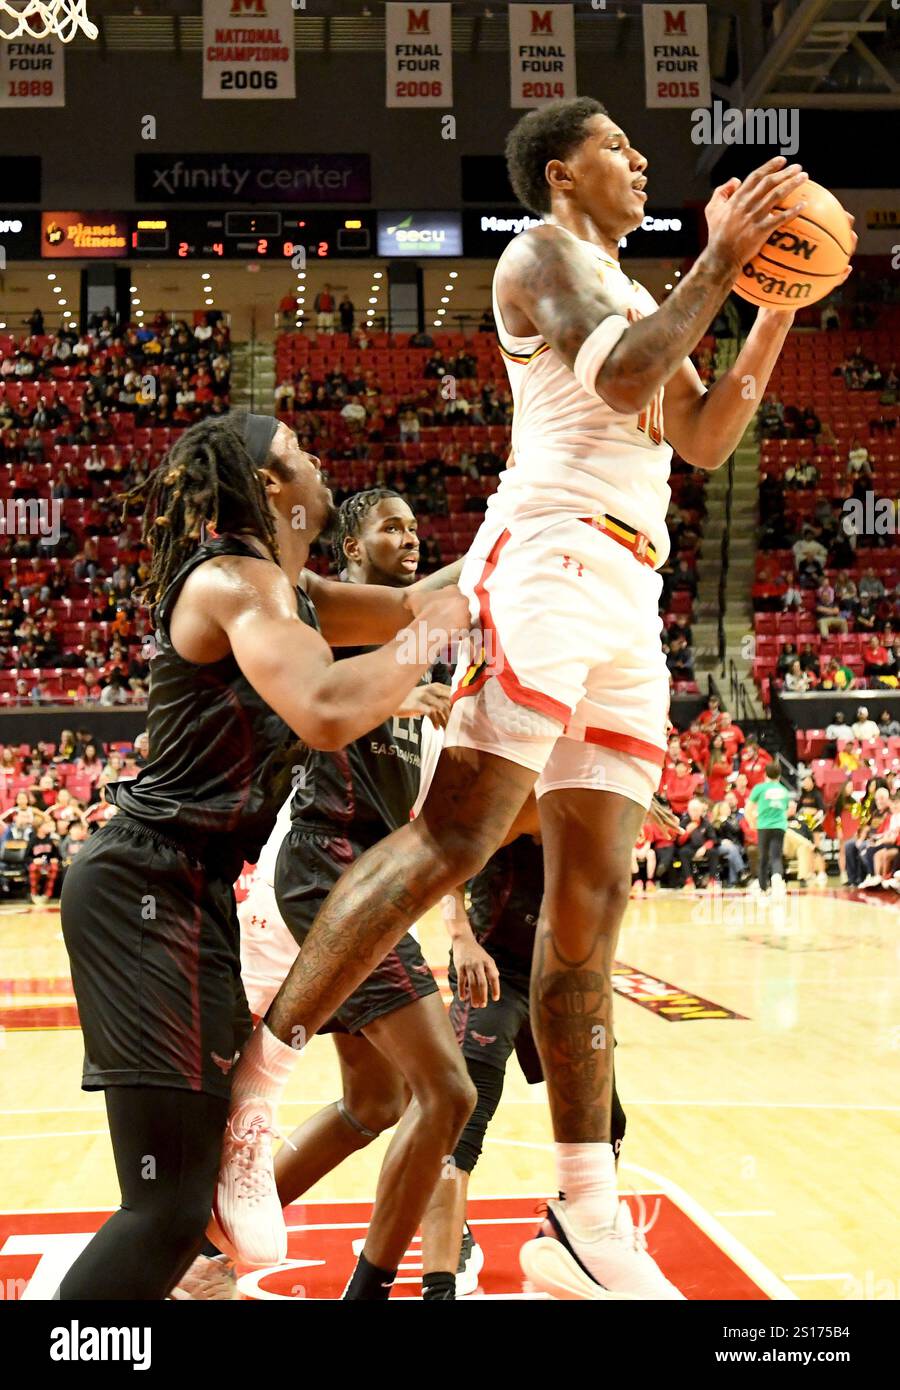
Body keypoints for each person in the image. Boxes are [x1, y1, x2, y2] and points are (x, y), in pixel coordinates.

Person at [213, 103, 846, 1300]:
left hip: (631, 586)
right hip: (546, 556)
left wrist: (770, 304)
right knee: (453, 836)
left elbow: (705, 435)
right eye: (620, 148)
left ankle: (582, 1206)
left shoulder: (633, 284)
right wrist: (719, 257)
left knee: (590, 907)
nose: (643, 162)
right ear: (564, 173)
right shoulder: (538, 254)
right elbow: (629, 373)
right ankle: (258, 1096)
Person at [55, 410, 468, 1300]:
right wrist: (434, 634)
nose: (318, 459)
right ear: (269, 487)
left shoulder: (294, 591)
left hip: (191, 888)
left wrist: (542, 530)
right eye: (297, 451)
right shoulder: (235, 582)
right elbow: (325, 703)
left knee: (183, 1203)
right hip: (141, 886)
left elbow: (414, 599)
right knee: (161, 1208)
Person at [745, 763, 791, 894]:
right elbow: (786, 809)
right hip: (780, 826)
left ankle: (763, 887)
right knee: (776, 856)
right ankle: (776, 877)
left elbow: (748, 809)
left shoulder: (760, 788)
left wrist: (752, 823)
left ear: (765, 774)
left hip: (764, 826)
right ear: (779, 775)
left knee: (763, 857)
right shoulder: (784, 790)